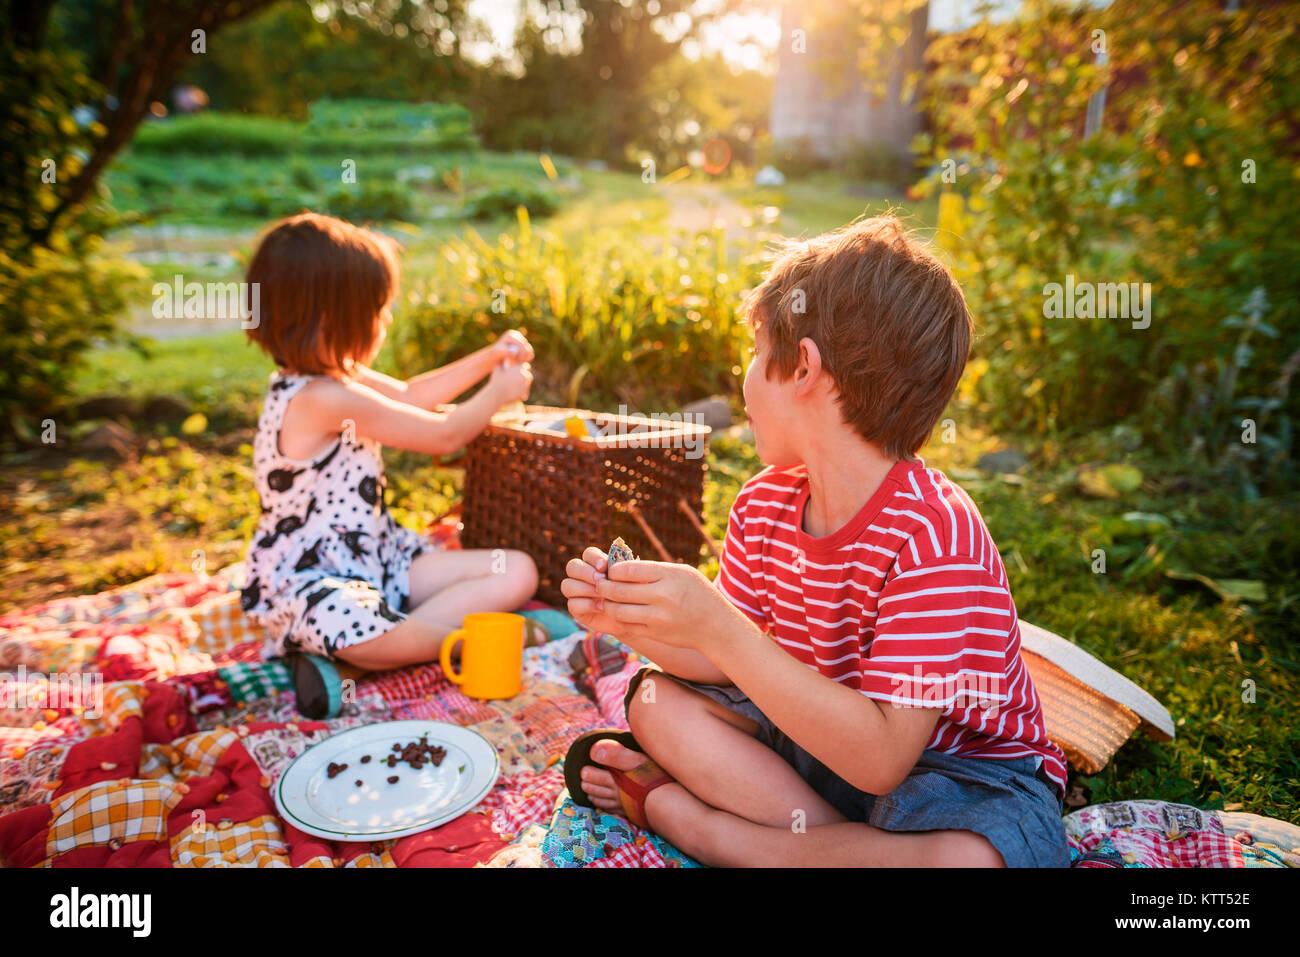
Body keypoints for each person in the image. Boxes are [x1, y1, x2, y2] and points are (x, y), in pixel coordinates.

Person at [561, 215, 1071, 867]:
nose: (743, 379)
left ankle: (703, 827)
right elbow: (728, 665)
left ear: (803, 366)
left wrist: (717, 627)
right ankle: (841, 850)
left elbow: (885, 758)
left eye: (754, 349)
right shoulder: (764, 502)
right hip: (814, 751)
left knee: (967, 863)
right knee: (656, 702)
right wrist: (627, 620)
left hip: (952, 777)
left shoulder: (936, 533)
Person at [239, 212, 538, 717]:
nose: (386, 320)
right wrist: (499, 392)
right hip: (317, 579)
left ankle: (388, 646)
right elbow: (444, 433)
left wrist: (488, 358)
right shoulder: (320, 398)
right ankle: (460, 642)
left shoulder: (337, 375)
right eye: (377, 309)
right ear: (334, 319)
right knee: (355, 626)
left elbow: (413, 395)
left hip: (376, 558)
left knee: (515, 570)